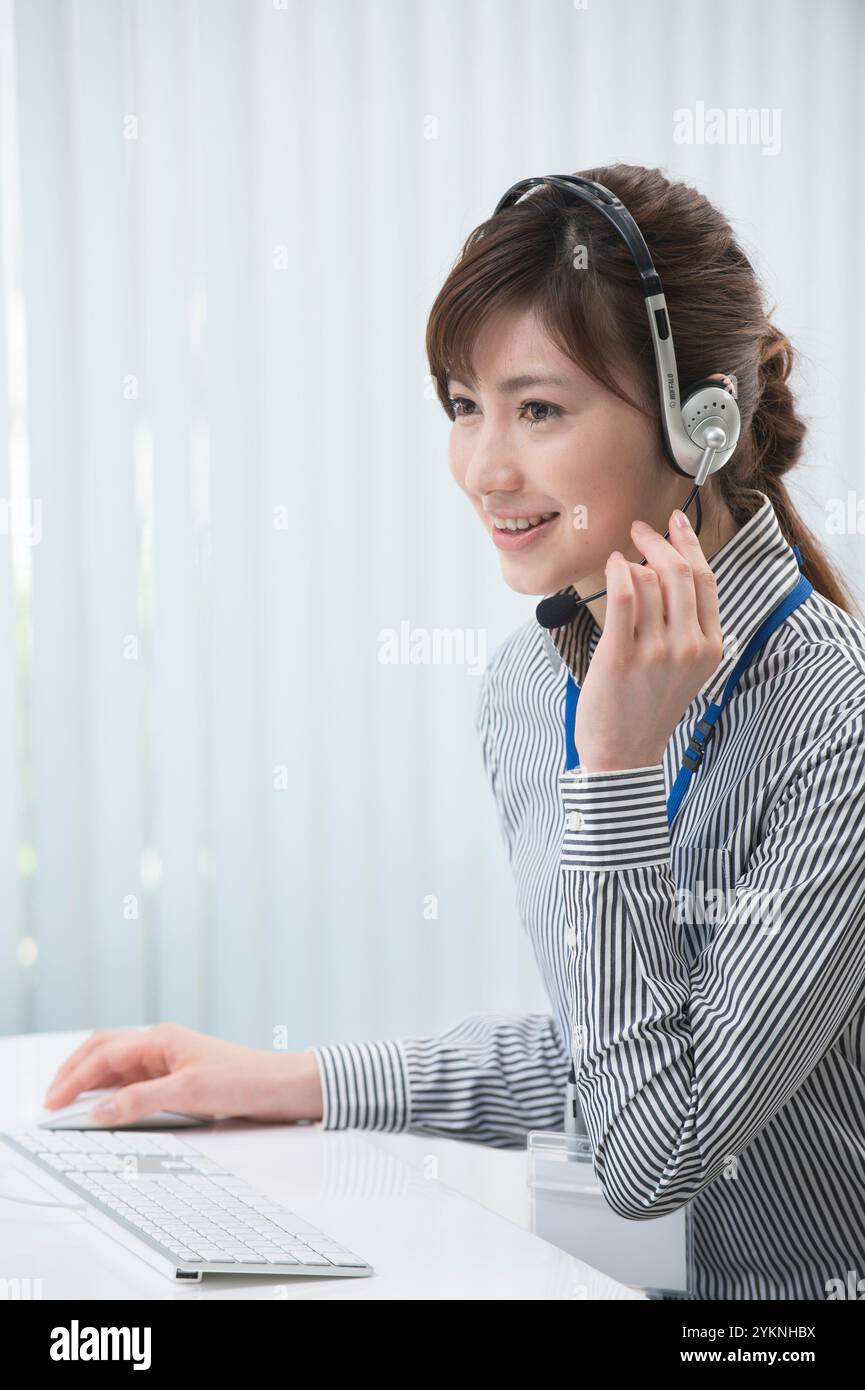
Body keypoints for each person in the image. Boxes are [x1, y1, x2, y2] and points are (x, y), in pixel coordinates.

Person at [43, 164, 865, 1300]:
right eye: (462, 406)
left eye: (539, 408)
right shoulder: (532, 688)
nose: (484, 468)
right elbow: (613, 1061)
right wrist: (293, 1079)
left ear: (701, 425)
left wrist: (616, 770)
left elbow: (656, 1151)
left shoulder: (835, 722)